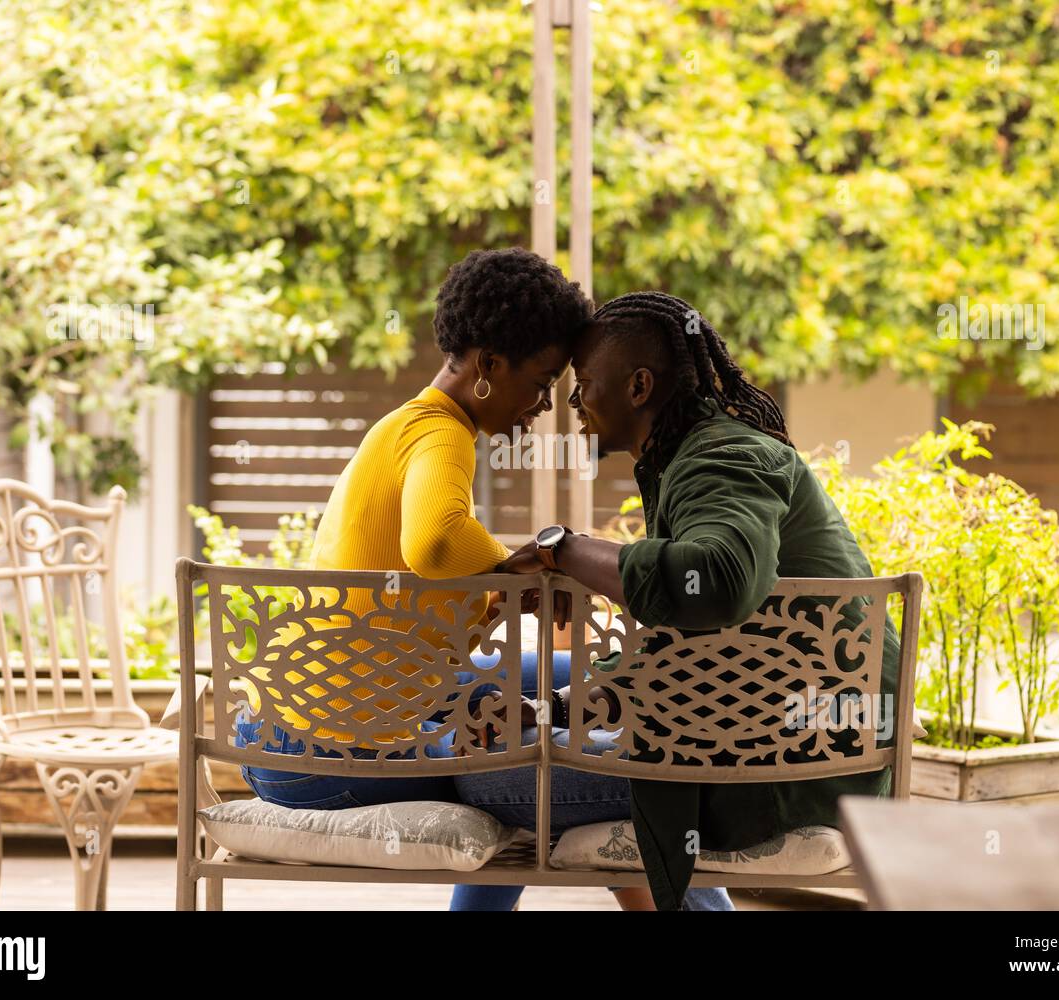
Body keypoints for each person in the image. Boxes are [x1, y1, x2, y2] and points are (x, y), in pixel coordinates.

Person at [232, 249, 730, 911]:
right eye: (541, 381)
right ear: (489, 365)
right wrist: (515, 568)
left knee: (566, 677)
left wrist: (507, 584)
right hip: (327, 748)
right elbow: (436, 541)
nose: (543, 405)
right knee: (524, 751)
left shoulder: (407, 426)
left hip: (303, 721)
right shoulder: (442, 434)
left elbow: (432, 568)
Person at [484, 291, 903, 910]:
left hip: (794, 761)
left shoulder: (720, 458)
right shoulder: (694, 457)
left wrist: (562, 549)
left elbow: (717, 581)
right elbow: (696, 650)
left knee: (483, 772)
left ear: (639, 386)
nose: (574, 405)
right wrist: (562, 706)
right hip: (770, 728)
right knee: (513, 727)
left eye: (585, 384)